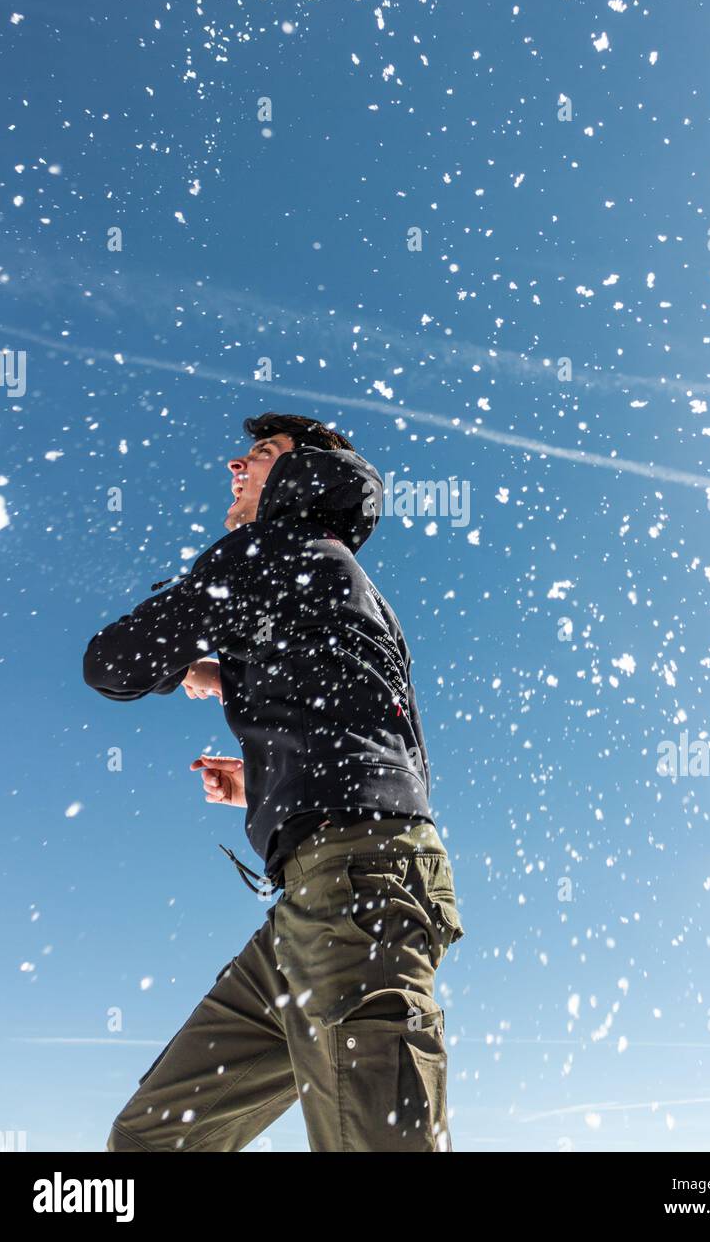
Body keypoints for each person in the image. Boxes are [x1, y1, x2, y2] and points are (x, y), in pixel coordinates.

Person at [82, 412, 464, 1152]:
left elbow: (115, 662)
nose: (235, 465)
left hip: (353, 891)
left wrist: (183, 660)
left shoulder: (272, 546)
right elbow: (374, 733)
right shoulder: (333, 576)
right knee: (156, 1140)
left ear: (304, 475)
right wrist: (267, 782)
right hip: (339, 888)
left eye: (260, 455)